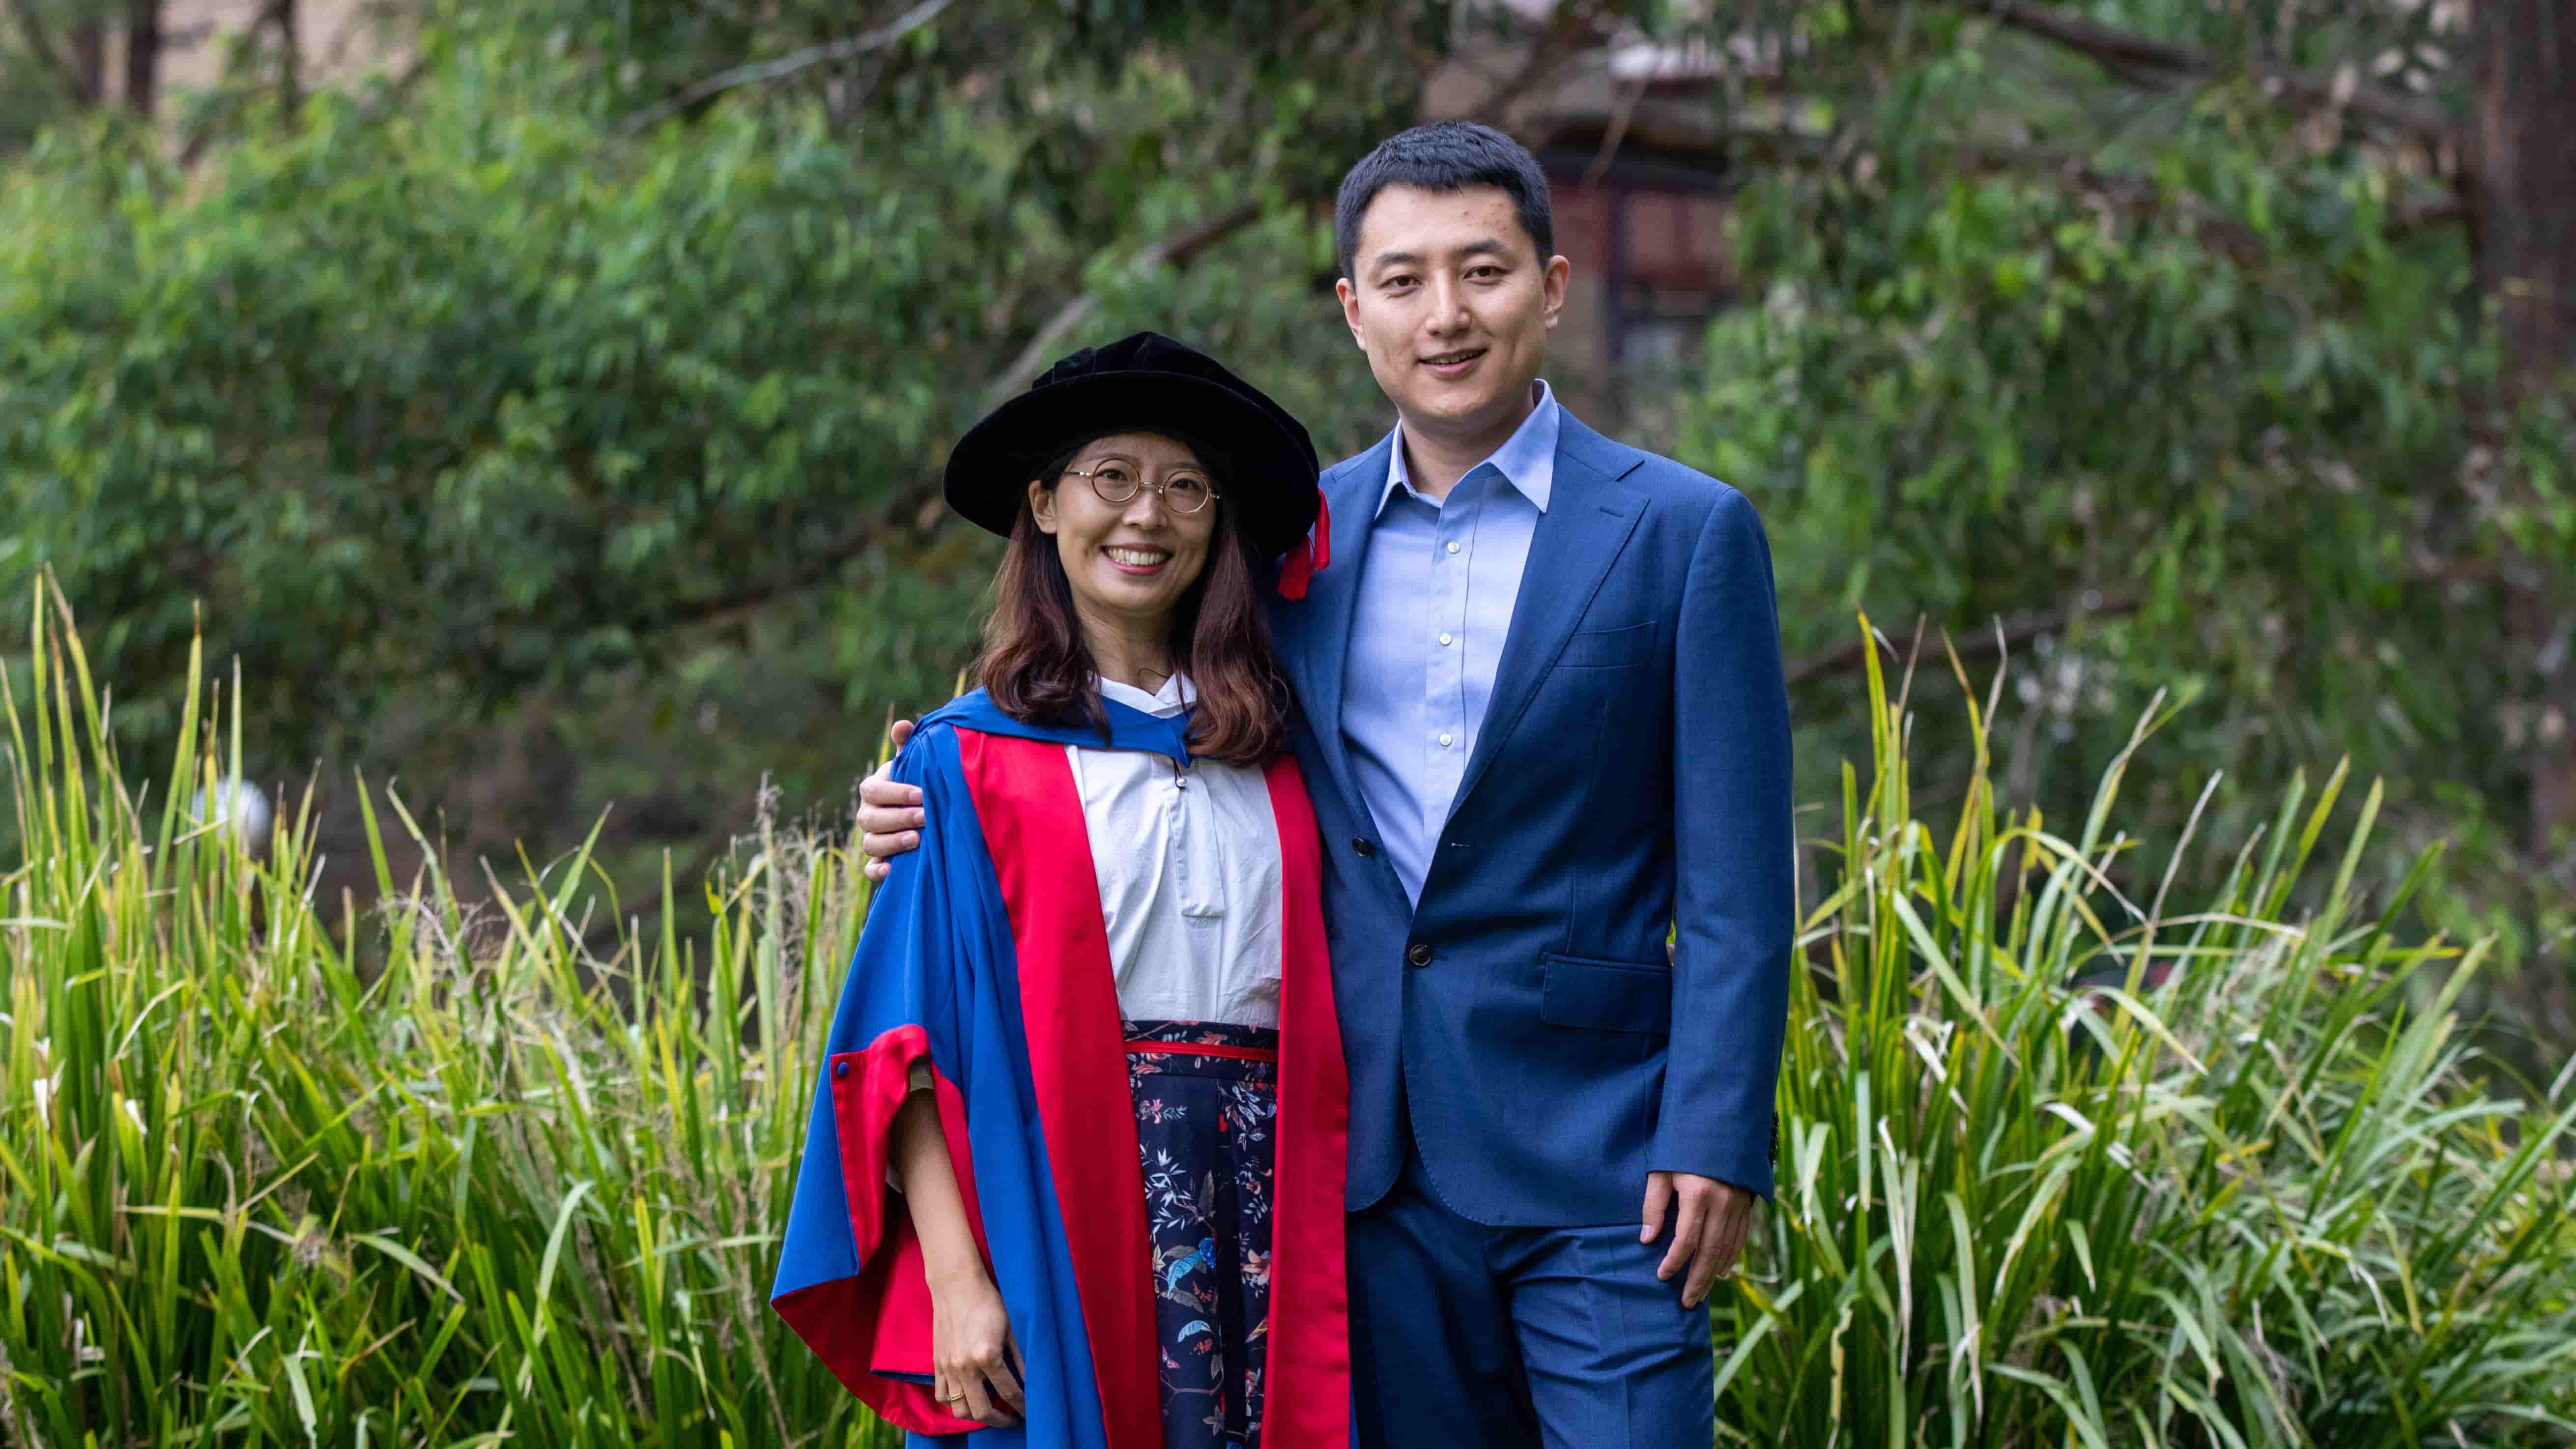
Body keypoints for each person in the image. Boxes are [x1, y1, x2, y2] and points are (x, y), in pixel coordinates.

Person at [861, 122, 1794, 1449]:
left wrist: (1717, 1131)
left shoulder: (1684, 533)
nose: (1447, 314)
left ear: (1554, 284)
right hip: (1353, 1172)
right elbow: (1106, 713)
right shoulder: (1294, 544)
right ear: (1355, 312)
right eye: (1404, 280)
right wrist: (915, 793)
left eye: (1483, 271)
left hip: (1605, 1162)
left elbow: (1741, 882)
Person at [773, 332, 1352, 1449]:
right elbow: (904, 1048)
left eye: (1186, 486)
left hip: (1269, 1202)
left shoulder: (1280, 757)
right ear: (1042, 504)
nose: (1148, 515)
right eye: (1111, 478)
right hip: (1054, 1200)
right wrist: (954, 1279)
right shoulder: (962, 761)